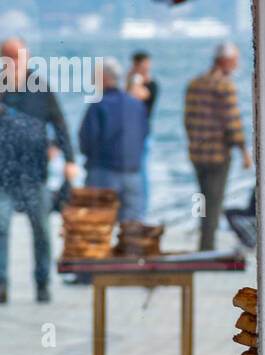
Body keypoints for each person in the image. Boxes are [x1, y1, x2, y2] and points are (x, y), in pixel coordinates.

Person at [0, 36, 76, 303]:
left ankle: (42, 283)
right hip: (3, 175)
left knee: (42, 231)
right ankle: (1, 285)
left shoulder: (40, 87)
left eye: (17, 57)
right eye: (7, 58)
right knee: (1, 227)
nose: (13, 63)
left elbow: (59, 123)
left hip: (35, 174)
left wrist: (69, 158)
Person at [184, 41, 250, 252]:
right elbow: (232, 123)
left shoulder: (195, 84)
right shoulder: (225, 86)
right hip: (218, 154)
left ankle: (205, 244)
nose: (237, 65)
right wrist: (244, 152)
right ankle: (207, 248)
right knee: (214, 202)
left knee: (204, 200)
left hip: (197, 153)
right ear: (226, 61)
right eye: (235, 60)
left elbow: (188, 120)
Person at [79, 57, 148, 224]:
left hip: (104, 173)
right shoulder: (137, 105)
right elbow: (144, 134)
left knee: (98, 226)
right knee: (132, 230)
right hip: (133, 173)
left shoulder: (98, 105)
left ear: (104, 78)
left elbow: (86, 141)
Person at [126, 51, 157, 217]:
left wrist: (134, 79)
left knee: (142, 172)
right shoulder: (131, 81)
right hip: (131, 134)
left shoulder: (151, 85)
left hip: (143, 133)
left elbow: (134, 95)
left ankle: (142, 211)